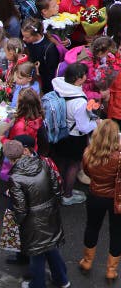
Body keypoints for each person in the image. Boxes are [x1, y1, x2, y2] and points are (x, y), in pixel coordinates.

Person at [4, 139, 70, 288]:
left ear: (10, 159)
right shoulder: (43, 163)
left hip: (33, 220)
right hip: (50, 213)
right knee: (51, 245)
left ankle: (38, 287)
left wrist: (18, 223)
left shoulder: (16, 177)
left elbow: (20, 208)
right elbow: (56, 187)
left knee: (37, 253)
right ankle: (62, 279)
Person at [80, 119, 121, 282]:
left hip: (96, 195)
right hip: (116, 199)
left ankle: (87, 262)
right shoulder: (119, 157)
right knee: (116, 233)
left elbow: (87, 173)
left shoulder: (89, 152)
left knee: (92, 227)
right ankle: (111, 270)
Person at [53, 63, 96, 206]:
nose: (86, 77)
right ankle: (68, 195)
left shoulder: (59, 87)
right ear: (79, 79)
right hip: (74, 137)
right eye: (85, 75)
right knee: (74, 165)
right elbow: (83, 127)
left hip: (60, 132)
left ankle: (59, 189)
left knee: (61, 162)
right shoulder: (79, 101)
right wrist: (97, 123)